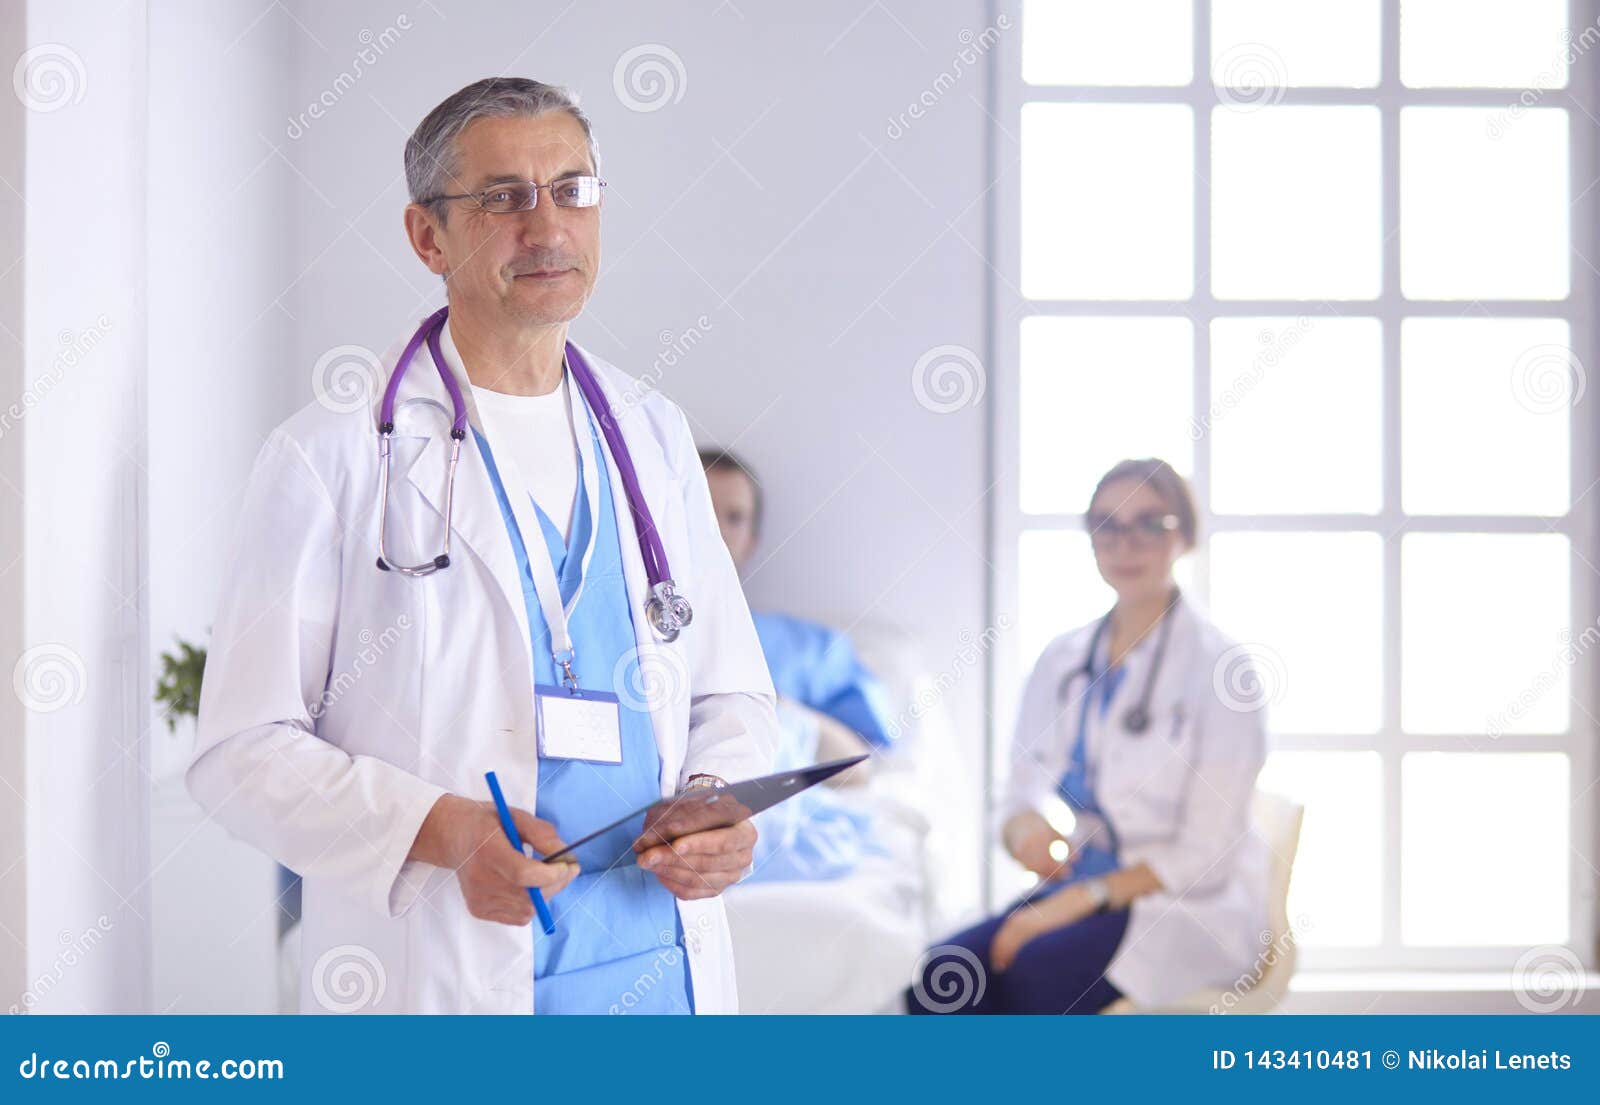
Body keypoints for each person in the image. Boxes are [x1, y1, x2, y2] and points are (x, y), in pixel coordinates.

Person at [188, 78, 778, 1015]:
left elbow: (733, 687)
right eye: (503, 197)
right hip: (448, 976)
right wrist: (444, 831)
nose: (548, 227)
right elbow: (239, 751)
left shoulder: (654, 434)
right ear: (429, 237)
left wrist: (718, 796)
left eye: (573, 189)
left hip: (659, 967)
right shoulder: (331, 453)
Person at [908, 458, 1269, 1014]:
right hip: (1085, 889)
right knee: (941, 979)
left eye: (1149, 524)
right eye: (1107, 525)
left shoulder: (1223, 671)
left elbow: (1208, 853)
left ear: (1186, 536)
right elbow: (1021, 788)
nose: (1125, 543)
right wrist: (1022, 829)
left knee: (1034, 974)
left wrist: (1080, 899)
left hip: (1182, 905)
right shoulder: (1064, 659)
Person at [701, 448, 895, 880]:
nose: (714, 529)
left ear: (752, 540)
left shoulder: (809, 650)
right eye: (699, 507)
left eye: (733, 517)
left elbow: (859, 769)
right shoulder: (622, 642)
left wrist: (776, 709)